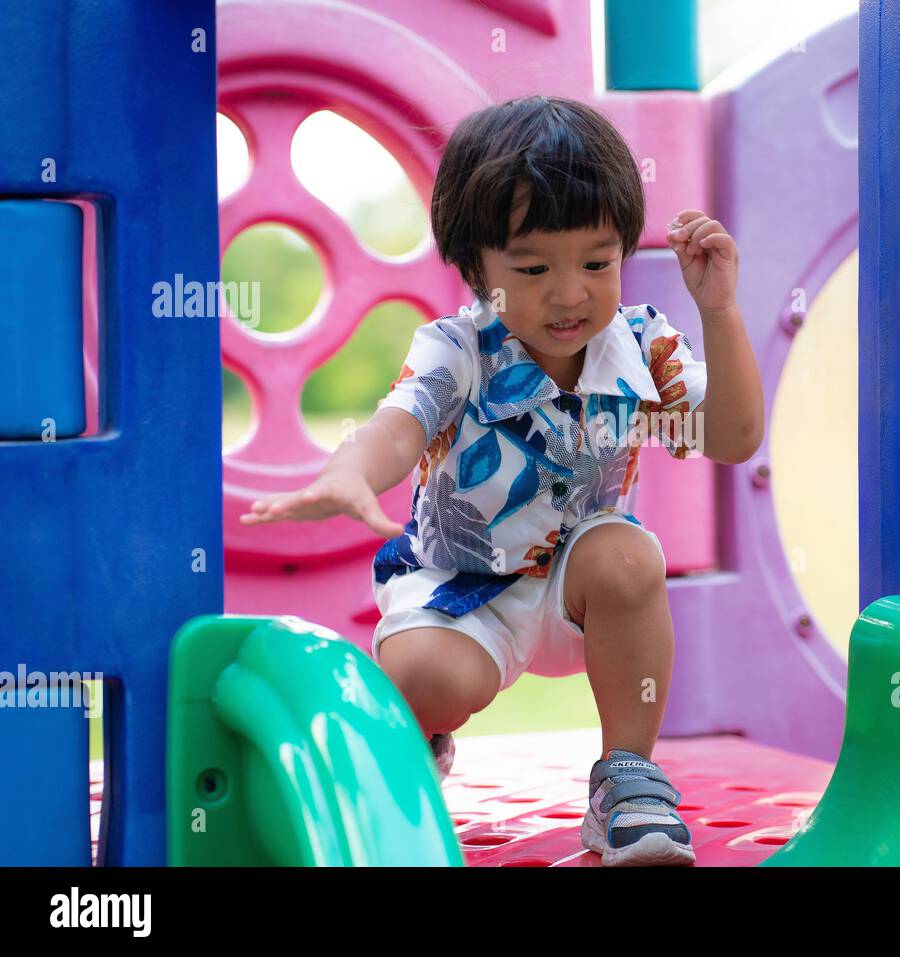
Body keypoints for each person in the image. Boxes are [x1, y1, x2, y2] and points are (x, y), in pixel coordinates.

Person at [240, 95, 764, 866]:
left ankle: (628, 780)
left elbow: (733, 437)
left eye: (597, 261)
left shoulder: (643, 344)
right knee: (426, 675)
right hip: (460, 586)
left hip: (578, 592)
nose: (569, 292)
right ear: (475, 266)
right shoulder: (459, 348)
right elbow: (401, 422)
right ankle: (419, 738)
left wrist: (717, 310)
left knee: (628, 555)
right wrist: (351, 471)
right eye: (532, 267)